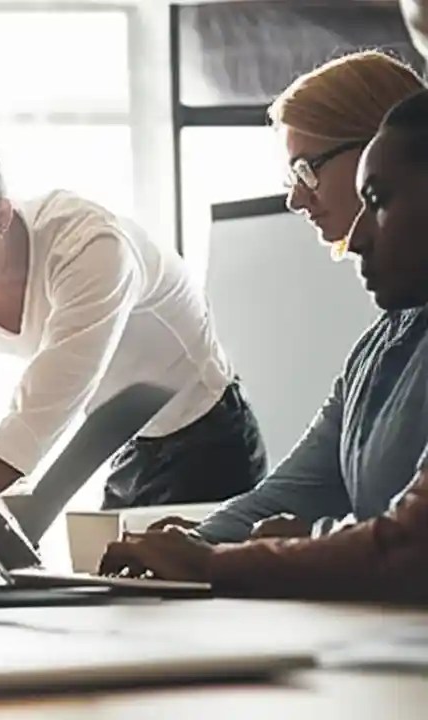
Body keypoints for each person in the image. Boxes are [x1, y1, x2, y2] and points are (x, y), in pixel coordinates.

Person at [0, 120, 267, 576]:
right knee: (115, 602)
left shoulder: (92, 249)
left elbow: (33, 423)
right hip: (127, 443)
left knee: (191, 619)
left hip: (208, 439)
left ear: (0, 217)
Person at [100, 89, 428, 603]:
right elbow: (297, 486)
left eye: (378, 199)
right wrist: (192, 544)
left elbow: (410, 547)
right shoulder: (376, 350)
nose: (358, 234)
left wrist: (216, 561)